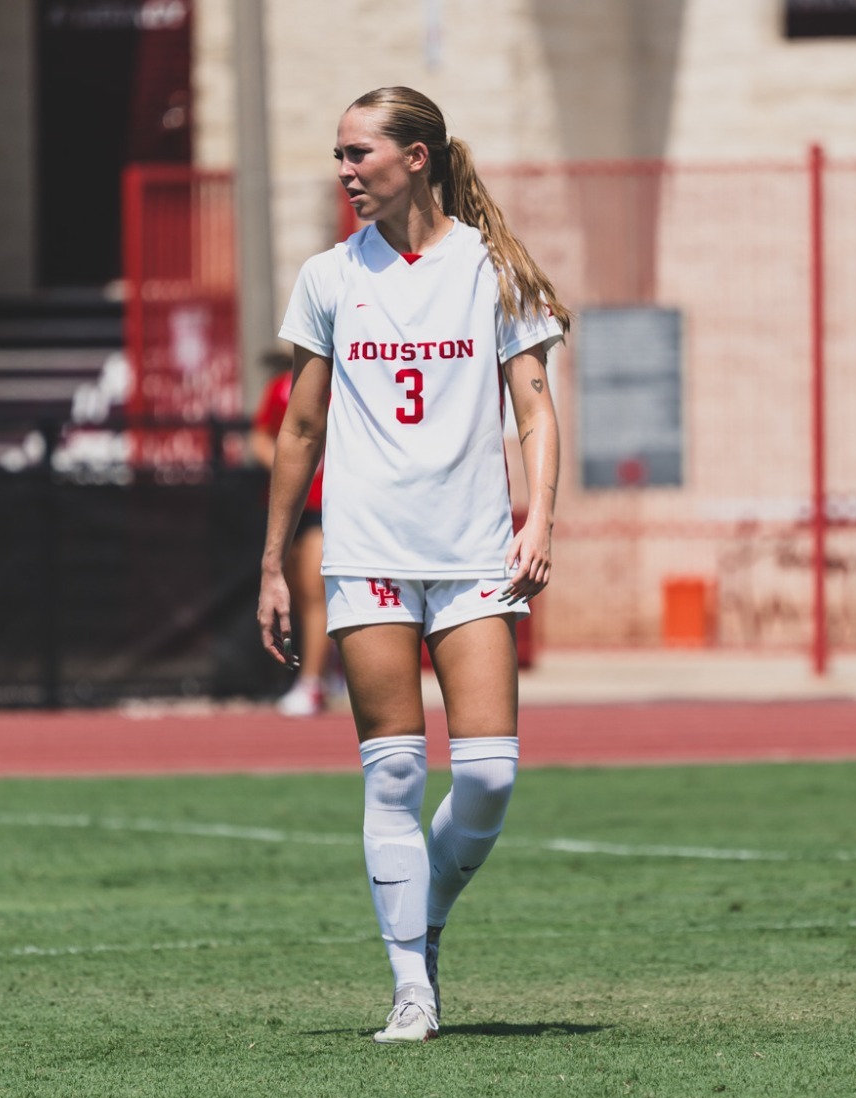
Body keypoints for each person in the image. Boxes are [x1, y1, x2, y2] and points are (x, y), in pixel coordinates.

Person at [256, 86, 567, 1044]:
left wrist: (540, 517)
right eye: (340, 154)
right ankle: (411, 989)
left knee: (489, 778)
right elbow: (300, 428)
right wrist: (272, 563)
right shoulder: (328, 277)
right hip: (368, 554)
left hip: (474, 550)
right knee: (393, 773)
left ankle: (422, 917)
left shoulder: (495, 268)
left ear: (418, 156)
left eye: (360, 152)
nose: (346, 170)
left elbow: (536, 410)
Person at [248, 357, 333, 717]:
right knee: (296, 592)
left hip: (328, 503)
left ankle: (313, 682)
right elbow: (262, 438)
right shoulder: (282, 386)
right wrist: (290, 465)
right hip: (292, 505)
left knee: (315, 593)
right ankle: (322, 668)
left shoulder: (343, 383)